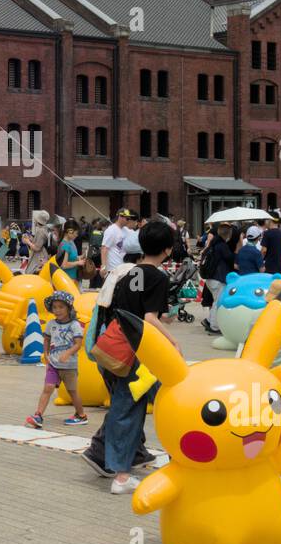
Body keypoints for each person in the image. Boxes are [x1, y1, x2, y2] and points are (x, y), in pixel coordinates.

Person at [82, 219, 178, 491]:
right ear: (168, 250)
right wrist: (173, 341)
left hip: (116, 347)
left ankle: (120, 463)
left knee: (127, 408)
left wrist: (163, 320)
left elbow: (133, 311)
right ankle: (123, 476)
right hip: (139, 353)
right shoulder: (159, 277)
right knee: (161, 403)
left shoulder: (129, 272)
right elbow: (149, 318)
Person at [25, 292, 88, 429]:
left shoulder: (74, 325)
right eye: (54, 307)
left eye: (61, 307)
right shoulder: (51, 324)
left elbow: (78, 343)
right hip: (53, 363)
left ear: (68, 308)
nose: (57, 310)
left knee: (72, 391)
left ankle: (81, 415)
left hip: (69, 365)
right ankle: (38, 415)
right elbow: (46, 338)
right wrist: (46, 354)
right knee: (47, 388)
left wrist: (67, 353)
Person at [201, 223, 234, 332]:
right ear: (228, 234)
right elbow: (230, 258)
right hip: (218, 278)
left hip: (210, 278)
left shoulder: (214, 244)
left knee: (215, 301)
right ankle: (214, 327)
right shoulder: (222, 246)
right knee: (218, 302)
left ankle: (210, 321)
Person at [100, 209, 130, 277]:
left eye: (129, 218)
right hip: (113, 269)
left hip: (123, 268)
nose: (128, 220)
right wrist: (103, 266)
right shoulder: (111, 230)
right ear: (120, 217)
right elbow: (104, 248)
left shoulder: (126, 230)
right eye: (127, 218)